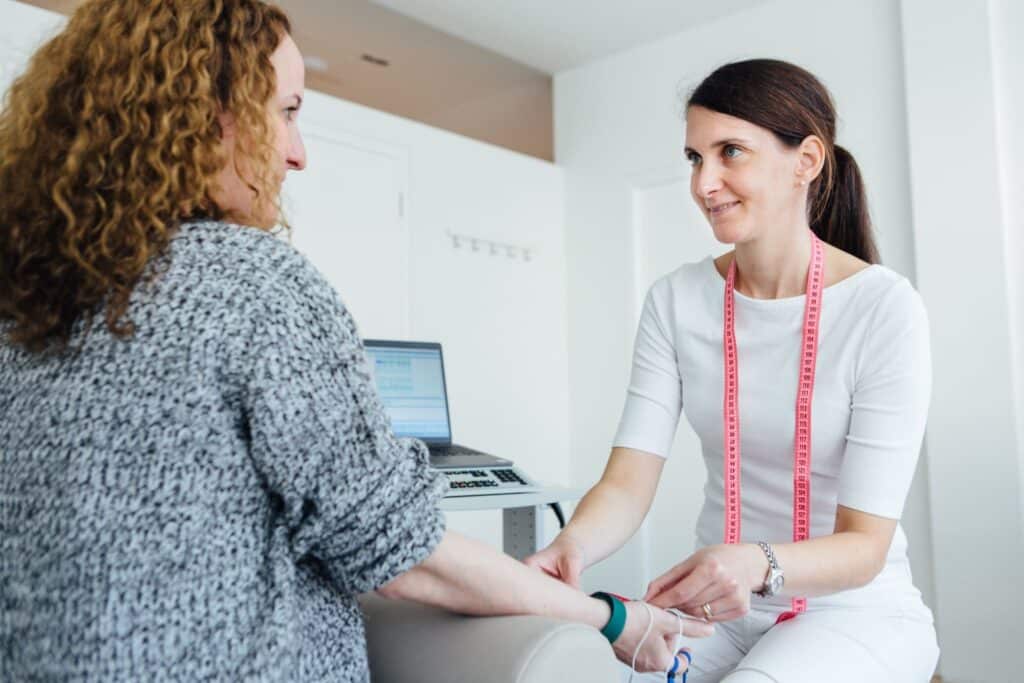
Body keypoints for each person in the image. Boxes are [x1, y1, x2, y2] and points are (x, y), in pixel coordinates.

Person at [0, 2, 712, 680]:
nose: (297, 154)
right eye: (286, 113)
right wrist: (613, 617)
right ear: (207, 119)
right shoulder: (253, 280)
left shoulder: (26, 304)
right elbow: (403, 552)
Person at [525, 59, 940, 682]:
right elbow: (628, 482)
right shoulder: (676, 300)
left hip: (852, 612)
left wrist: (753, 564)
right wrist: (574, 545)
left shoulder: (884, 307)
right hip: (719, 606)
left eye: (731, 152)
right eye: (695, 157)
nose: (704, 182)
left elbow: (864, 548)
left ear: (807, 161)